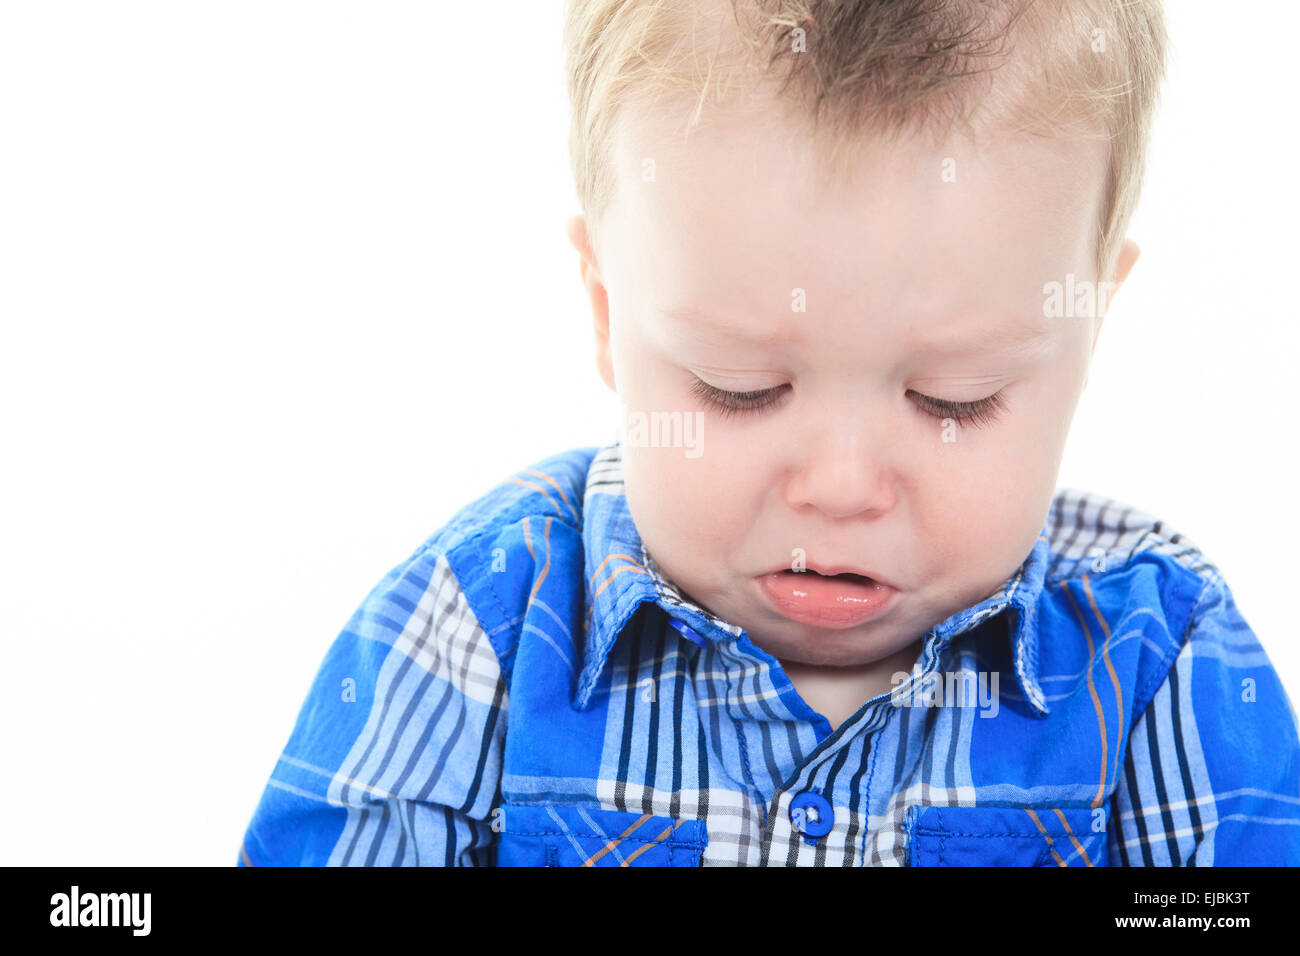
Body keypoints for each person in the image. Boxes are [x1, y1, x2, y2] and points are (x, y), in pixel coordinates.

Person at [237, 0, 1300, 866]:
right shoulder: (478, 631)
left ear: (1086, 323)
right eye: (738, 388)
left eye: (953, 398)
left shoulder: (1162, 659)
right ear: (609, 310)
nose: (841, 486)